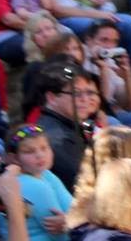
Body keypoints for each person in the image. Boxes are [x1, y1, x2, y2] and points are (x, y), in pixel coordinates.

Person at [82, 20, 131, 162]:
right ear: (89, 41)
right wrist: (103, 71)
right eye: (104, 40)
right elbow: (102, 105)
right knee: (114, 123)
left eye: (114, 42)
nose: (109, 46)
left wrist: (127, 74)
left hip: (113, 114)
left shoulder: (110, 61)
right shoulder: (82, 62)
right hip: (92, 120)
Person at [9, 124, 72, 241]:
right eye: (29, 151)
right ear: (14, 158)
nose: (40, 155)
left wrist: (72, 220)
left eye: (44, 148)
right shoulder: (30, 185)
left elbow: (74, 207)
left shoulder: (45, 174)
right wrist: (74, 222)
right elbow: (62, 236)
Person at [35, 62, 101, 191]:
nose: (85, 99)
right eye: (76, 93)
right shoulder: (58, 139)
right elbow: (85, 184)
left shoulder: (69, 125)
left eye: (88, 92)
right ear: (52, 98)